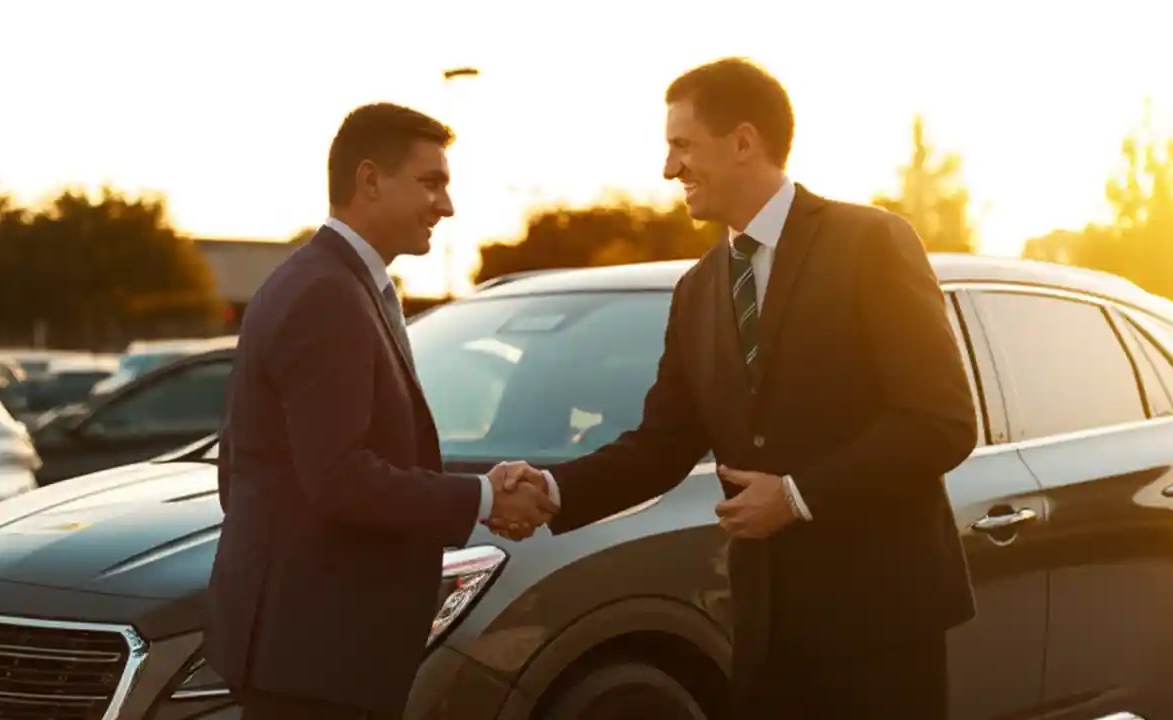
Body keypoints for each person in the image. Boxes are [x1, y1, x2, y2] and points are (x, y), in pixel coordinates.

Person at [492, 58, 978, 718]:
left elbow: (940, 420)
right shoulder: (697, 291)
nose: (669, 169)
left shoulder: (871, 242)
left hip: (882, 623)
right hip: (766, 629)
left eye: (682, 145)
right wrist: (551, 490)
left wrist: (799, 496)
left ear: (744, 142)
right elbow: (660, 445)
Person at [204, 103, 558, 720]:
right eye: (431, 183)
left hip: (312, 652)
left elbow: (239, 466)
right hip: (318, 662)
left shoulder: (325, 281)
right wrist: (482, 498)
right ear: (369, 181)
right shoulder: (327, 293)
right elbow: (339, 478)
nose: (446, 206)